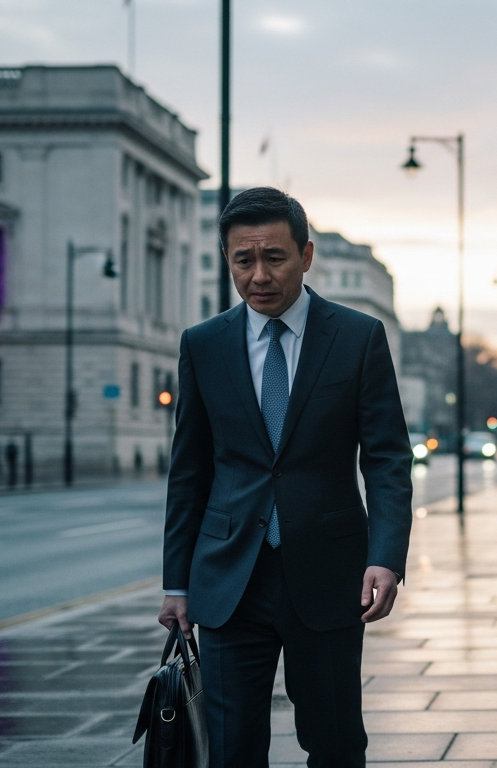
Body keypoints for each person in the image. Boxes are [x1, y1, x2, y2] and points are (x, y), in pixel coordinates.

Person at [158, 187, 413, 767]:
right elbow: (189, 471)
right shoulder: (203, 345)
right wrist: (178, 582)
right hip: (229, 580)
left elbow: (387, 459)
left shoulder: (357, 337)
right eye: (242, 261)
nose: (258, 275)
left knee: (337, 742)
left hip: (328, 575)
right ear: (226, 260)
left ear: (306, 254)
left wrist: (386, 556)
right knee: (231, 748)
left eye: (274, 257)